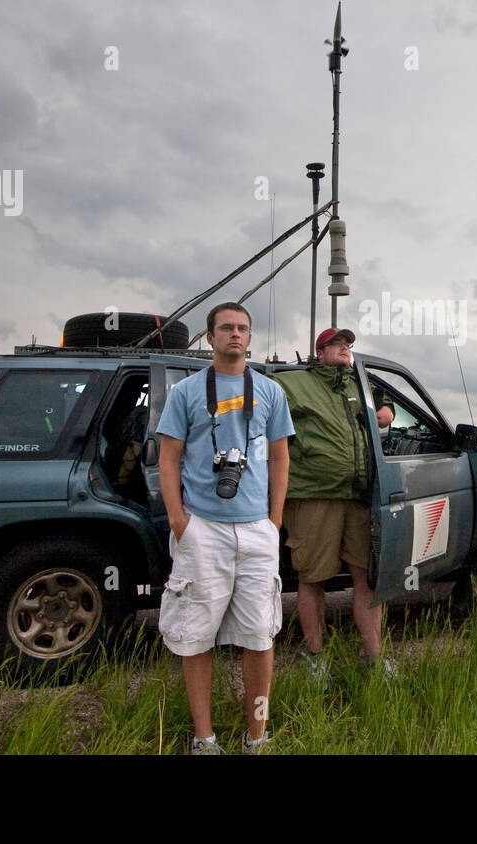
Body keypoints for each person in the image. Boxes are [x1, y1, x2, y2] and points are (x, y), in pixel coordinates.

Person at [156, 302, 293, 755]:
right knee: (197, 636)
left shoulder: (271, 391)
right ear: (209, 337)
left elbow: (279, 457)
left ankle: (257, 735)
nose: (235, 335)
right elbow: (169, 458)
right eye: (226, 328)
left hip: (256, 528)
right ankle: (204, 737)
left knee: (259, 636)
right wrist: (179, 521)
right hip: (204, 527)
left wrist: (274, 521)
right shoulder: (186, 392)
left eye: (242, 329)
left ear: (250, 338)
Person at [272, 327, 395, 681]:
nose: (345, 348)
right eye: (337, 344)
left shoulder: (358, 385)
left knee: (368, 577)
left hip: (359, 495)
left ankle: (373, 656)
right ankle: (316, 659)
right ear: (319, 352)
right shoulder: (293, 384)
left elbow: (384, 407)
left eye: (349, 345)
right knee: (313, 578)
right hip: (314, 495)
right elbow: (267, 426)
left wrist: (384, 411)